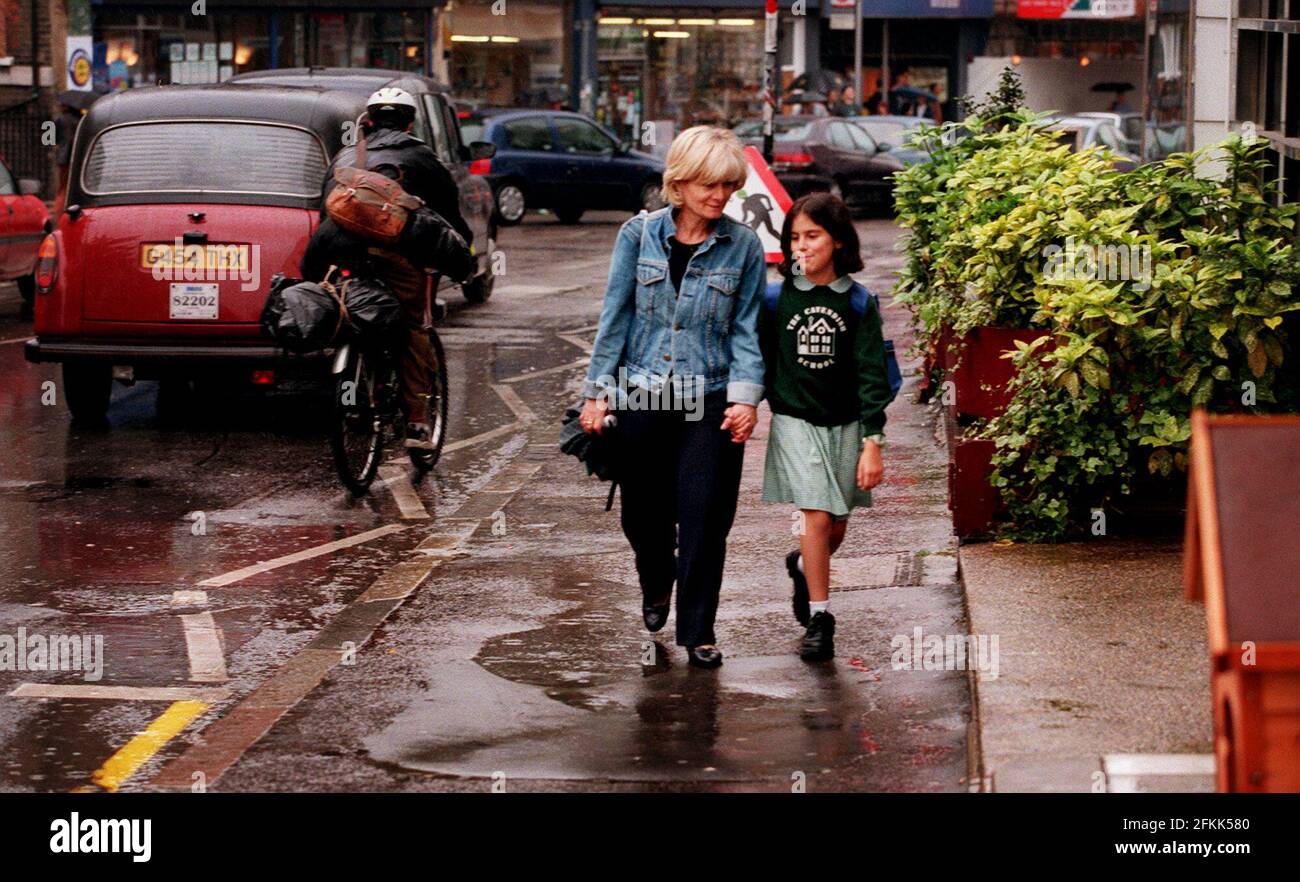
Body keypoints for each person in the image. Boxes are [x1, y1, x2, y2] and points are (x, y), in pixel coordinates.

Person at [579, 126, 765, 669]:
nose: (720, 195)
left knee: (706, 515)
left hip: (709, 396)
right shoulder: (638, 236)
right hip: (644, 392)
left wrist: (746, 399)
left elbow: (746, 330)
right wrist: (599, 393)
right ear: (679, 183)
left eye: (729, 185)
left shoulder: (744, 246)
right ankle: (657, 581)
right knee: (643, 515)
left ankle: (699, 629)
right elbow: (615, 317)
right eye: (709, 183)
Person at [759, 192, 891, 661]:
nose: (802, 247)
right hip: (795, 420)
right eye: (794, 238)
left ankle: (801, 565)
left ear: (836, 240)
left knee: (834, 526)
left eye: (812, 236)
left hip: (847, 425)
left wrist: (873, 442)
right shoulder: (775, 300)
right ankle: (821, 617)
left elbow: (873, 375)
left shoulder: (858, 303)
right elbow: (757, 361)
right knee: (815, 515)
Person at [319, 87, 472, 451]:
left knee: (348, 310)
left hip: (339, 254)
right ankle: (418, 423)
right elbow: (450, 212)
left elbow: (323, 205)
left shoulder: (344, 155)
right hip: (396, 258)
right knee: (413, 327)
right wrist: (463, 249)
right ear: (410, 121)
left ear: (368, 121)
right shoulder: (420, 156)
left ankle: (353, 390)